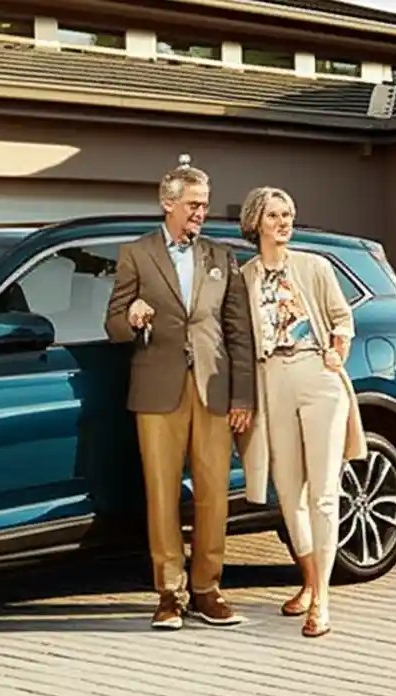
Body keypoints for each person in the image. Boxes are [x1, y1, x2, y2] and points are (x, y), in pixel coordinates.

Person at [104, 158, 256, 630]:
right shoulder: (135, 253)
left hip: (213, 388)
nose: (200, 213)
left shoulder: (221, 257)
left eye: (204, 206)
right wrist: (131, 318)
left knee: (214, 494)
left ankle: (208, 589)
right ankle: (169, 594)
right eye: (192, 205)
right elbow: (111, 324)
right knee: (162, 495)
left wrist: (243, 397)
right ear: (167, 204)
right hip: (156, 388)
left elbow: (239, 330)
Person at [234, 186, 368, 638]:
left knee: (324, 493)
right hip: (271, 381)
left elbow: (342, 317)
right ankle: (310, 581)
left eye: (288, 214)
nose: (284, 222)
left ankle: (322, 600)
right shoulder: (244, 277)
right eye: (275, 215)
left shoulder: (315, 266)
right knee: (288, 492)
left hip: (317, 377)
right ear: (256, 222)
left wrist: (338, 350)